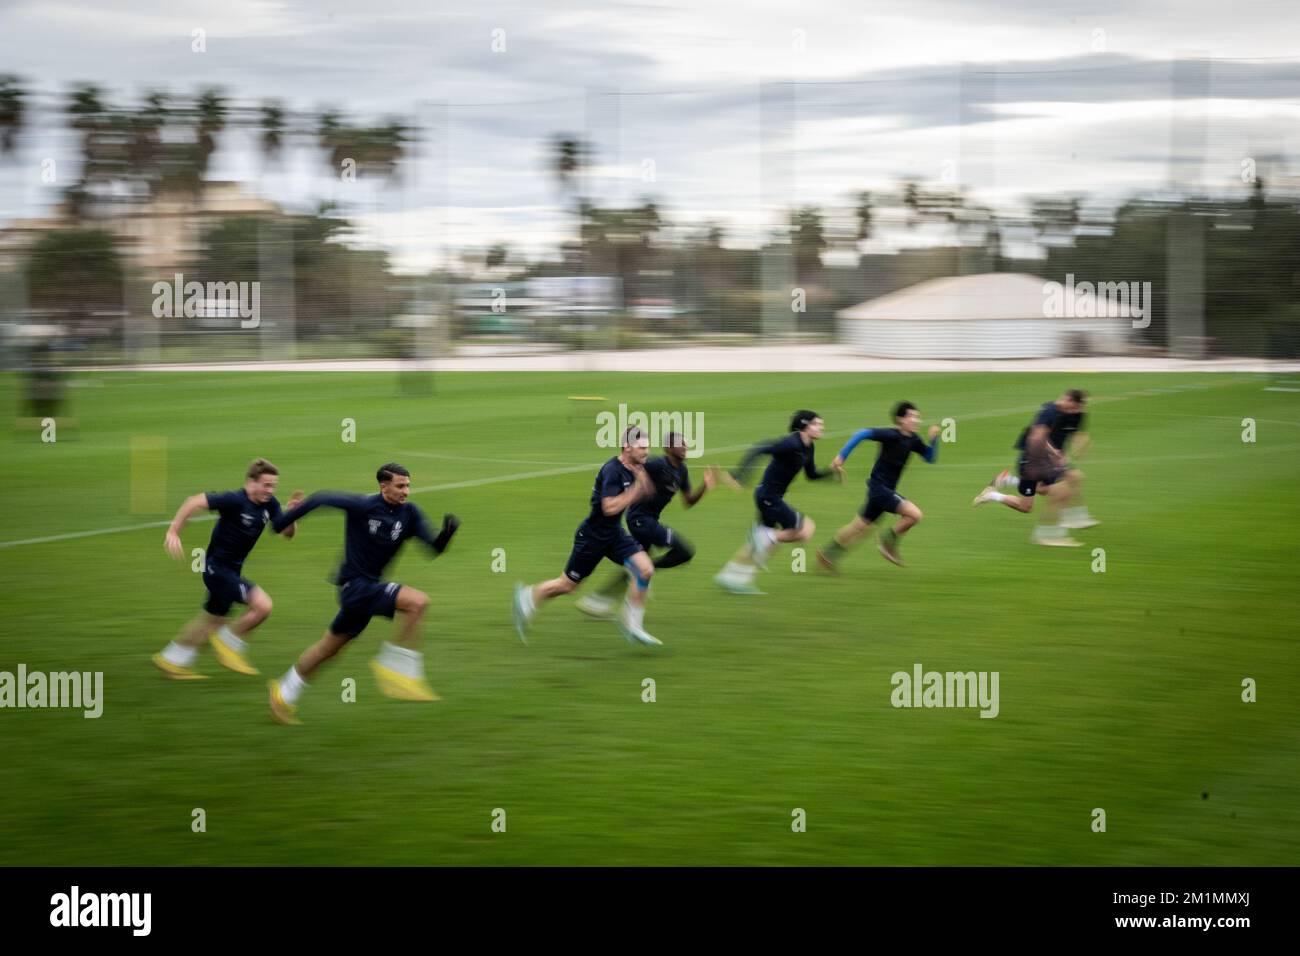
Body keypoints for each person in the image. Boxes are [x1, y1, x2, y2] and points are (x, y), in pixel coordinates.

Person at [265, 463, 459, 724]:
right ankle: (397, 670)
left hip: (367, 592)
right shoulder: (363, 506)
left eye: (408, 485)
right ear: (383, 486)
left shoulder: (410, 514)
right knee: (418, 602)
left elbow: (433, 549)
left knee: (328, 650)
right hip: (354, 587)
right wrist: (283, 520)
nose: (406, 491)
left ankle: (283, 693)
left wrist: (447, 533)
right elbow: (322, 498)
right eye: (400, 486)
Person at [154, 458, 301, 679]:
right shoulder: (234, 500)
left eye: (273, 486)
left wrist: (292, 515)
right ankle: (229, 643)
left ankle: (172, 661)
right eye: (266, 485)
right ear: (251, 482)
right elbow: (194, 501)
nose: (270, 490)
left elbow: (287, 534)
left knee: (212, 621)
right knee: (263, 606)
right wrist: (174, 531)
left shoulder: (269, 504)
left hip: (231, 572)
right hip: (217, 570)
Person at [513, 427, 661, 647]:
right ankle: (527, 597)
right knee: (568, 586)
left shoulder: (635, 466)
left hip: (614, 534)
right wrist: (636, 489)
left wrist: (643, 482)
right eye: (642, 447)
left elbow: (646, 490)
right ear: (627, 447)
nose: (646, 451)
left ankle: (632, 624)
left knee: (646, 569)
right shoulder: (612, 470)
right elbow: (609, 507)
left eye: (647, 447)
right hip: (592, 537)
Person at [715, 410, 838, 595]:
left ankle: (732, 579)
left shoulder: (808, 446)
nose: (822, 427)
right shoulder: (790, 443)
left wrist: (831, 472)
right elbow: (759, 448)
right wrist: (740, 476)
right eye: (817, 424)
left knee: (765, 544)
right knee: (805, 530)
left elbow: (811, 475)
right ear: (805, 425)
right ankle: (765, 536)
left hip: (770, 497)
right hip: (768, 497)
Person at [816, 401, 940, 571]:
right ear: (900, 419)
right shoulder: (890, 435)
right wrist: (841, 457)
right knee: (914, 515)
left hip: (882, 490)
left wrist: (934, 439)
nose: (916, 420)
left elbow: (930, 457)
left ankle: (827, 555)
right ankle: (887, 542)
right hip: (880, 489)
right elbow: (862, 433)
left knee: (860, 528)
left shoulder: (914, 440)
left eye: (917, 417)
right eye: (912, 416)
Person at [972, 389, 1097, 545]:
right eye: (1074, 407)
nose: (1074, 412)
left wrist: (1072, 448)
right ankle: (993, 495)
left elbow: (1071, 432)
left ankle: (1007, 481)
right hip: (1032, 463)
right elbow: (1037, 437)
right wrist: (1055, 454)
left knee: (1053, 489)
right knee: (1029, 505)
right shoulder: (1049, 412)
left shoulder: (1066, 413)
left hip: (1044, 461)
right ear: (1067, 399)